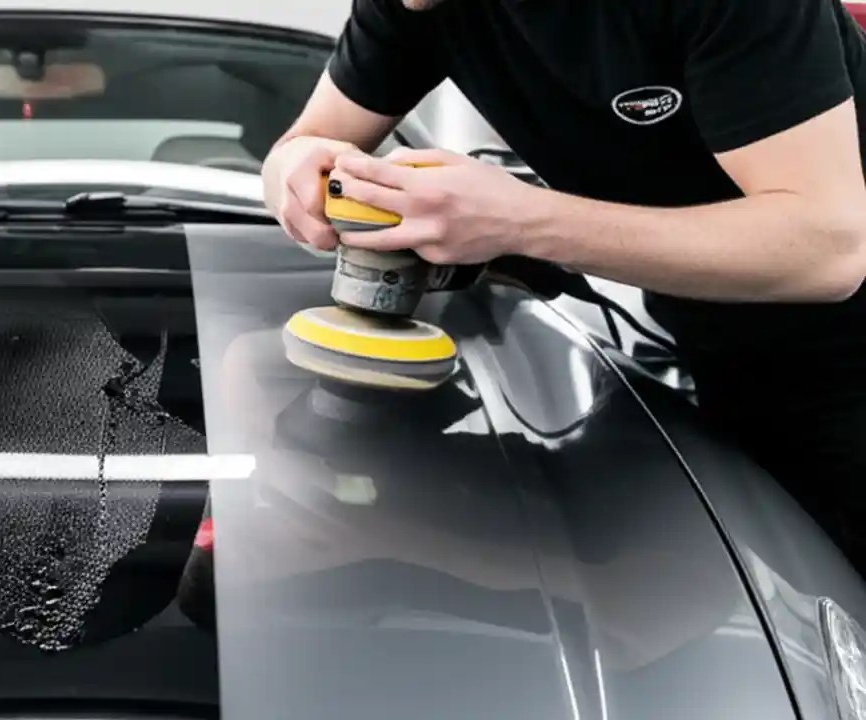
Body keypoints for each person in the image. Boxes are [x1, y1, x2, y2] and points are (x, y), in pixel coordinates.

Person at [262, 0, 866, 570]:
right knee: (798, 594)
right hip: (732, 350)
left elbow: (832, 249)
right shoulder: (421, 7)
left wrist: (519, 221)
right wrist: (294, 167)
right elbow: (304, 142)